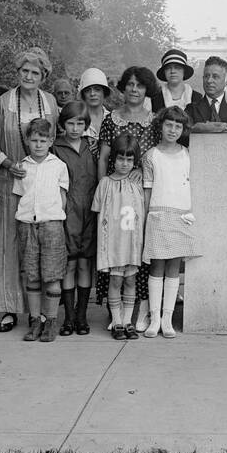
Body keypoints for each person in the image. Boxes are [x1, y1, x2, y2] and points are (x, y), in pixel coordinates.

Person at [0, 47, 59, 331]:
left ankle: (36, 312)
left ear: (43, 76)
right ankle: (8, 309)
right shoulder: (3, 101)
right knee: (7, 246)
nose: (28, 76)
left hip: (39, 187)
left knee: (36, 248)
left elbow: (55, 140)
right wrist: (5, 162)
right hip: (7, 183)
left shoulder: (49, 103)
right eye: (24, 71)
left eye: (35, 72)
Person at [97, 66, 160, 330]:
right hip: (115, 193)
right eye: (131, 84)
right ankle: (115, 314)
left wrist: (142, 175)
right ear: (124, 87)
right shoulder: (111, 119)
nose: (135, 90)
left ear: (147, 90)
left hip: (143, 192)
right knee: (114, 247)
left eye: (140, 85)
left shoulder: (154, 119)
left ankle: (137, 311)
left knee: (138, 247)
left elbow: (157, 157)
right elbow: (102, 158)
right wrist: (105, 186)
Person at [142, 105, 200, 338]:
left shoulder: (187, 154)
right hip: (157, 215)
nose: (173, 129)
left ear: (183, 129)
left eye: (178, 126)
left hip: (180, 216)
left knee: (174, 268)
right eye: (169, 124)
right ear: (160, 126)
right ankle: (154, 319)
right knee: (157, 267)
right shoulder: (151, 156)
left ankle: (167, 320)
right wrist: (146, 217)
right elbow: (147, 191)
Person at [13, 117, 70, 342]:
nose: (38, 144)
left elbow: (63, 197)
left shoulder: (58, 166)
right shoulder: (22, 167)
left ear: (51, 140)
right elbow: (19, 196)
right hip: (27, 225)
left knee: (53, 275)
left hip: (52, 225)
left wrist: (53, 218)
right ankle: (35, 320)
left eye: (43, 140)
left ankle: (51, 320)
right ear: (27, 140)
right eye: (34, 140)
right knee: (32, 276)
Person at [92, 131, 146, 341]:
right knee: (114, 282)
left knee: (131, 280)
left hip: (132, 242)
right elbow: (97, 210)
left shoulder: (138, 183)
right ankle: (116, 322)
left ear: (135, 161)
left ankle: (128, 321)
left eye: (129, 159)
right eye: (121, 159)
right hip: (113, 243)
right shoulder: (105, 183)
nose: (125, 164)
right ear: (113, 159)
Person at [54, 101, 98, 335]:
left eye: (80, 123)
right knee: (69, 264)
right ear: (62, 124)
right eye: (70, 123)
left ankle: (82, 317)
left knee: (84, 264)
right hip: (67, 212)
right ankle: (68, 318)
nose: (74, 127)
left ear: (86, 125)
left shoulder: (92, 147)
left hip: (89, 211)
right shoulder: (55, 148)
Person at [188, 56, 227, 132]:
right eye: (206, 76)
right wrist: (201, 127)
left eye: (215, 77)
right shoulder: (192, 108)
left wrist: (221, 128)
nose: (209, 80)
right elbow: (184, 129)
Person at [76, 67, 111, 156]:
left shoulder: (113, 119)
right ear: (83, 95)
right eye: (88, 90)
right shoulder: (75, 119)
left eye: (97, 89)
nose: (92, 94)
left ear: (104, 92)